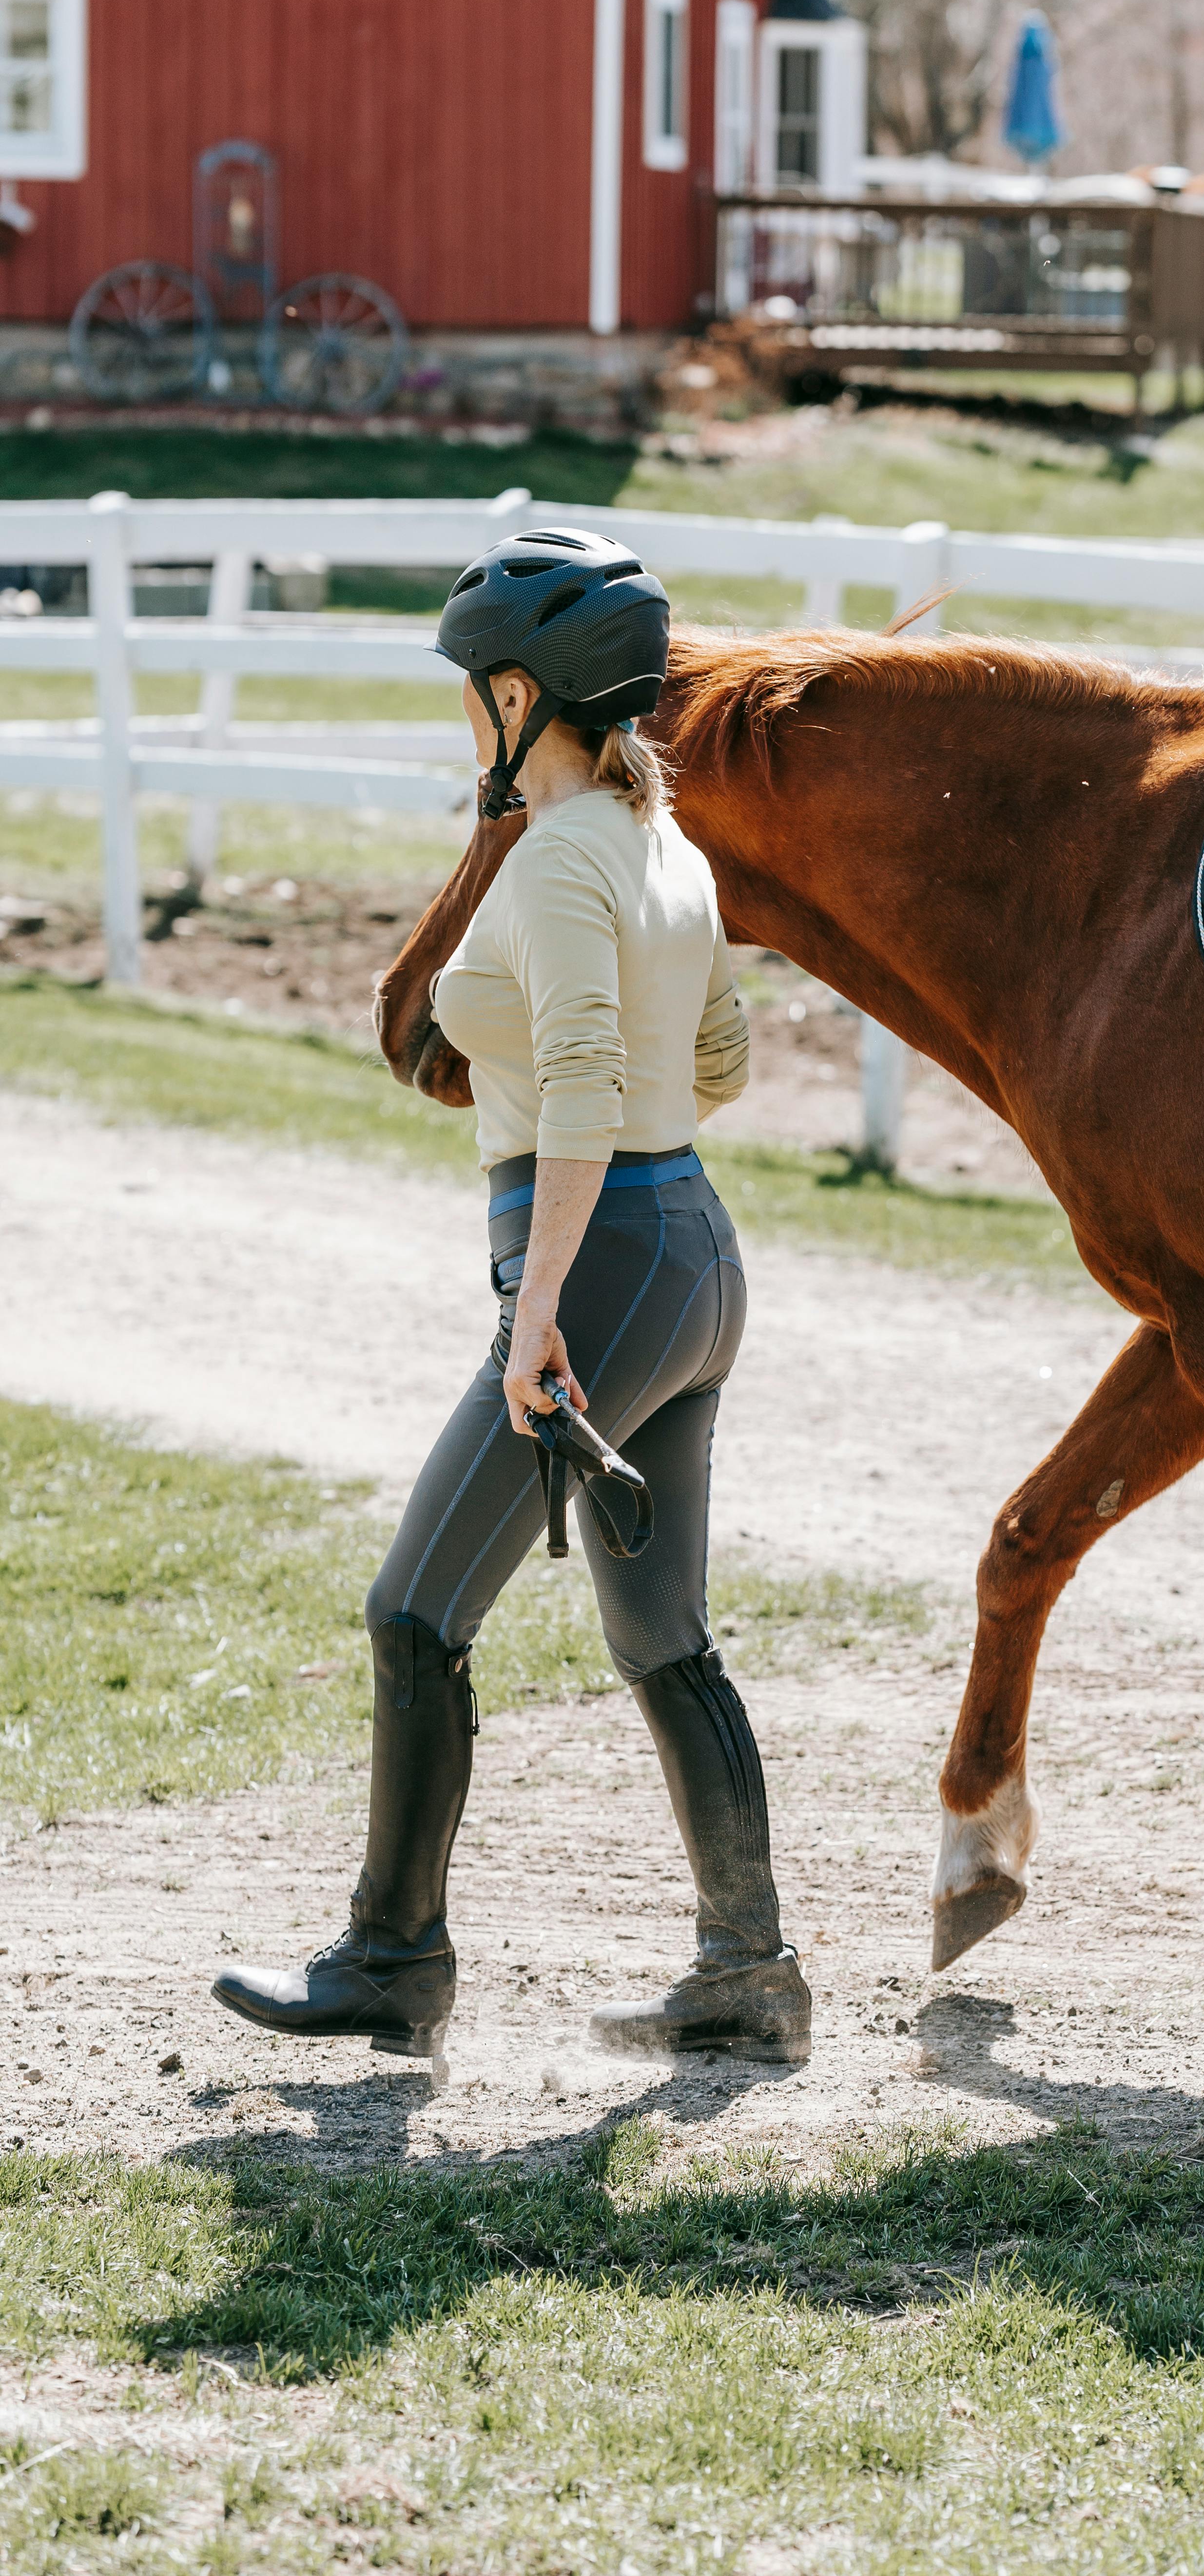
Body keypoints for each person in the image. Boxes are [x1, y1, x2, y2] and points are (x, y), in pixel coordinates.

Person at [212, 527, 811, 2067]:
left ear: (524, 696)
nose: (461, 714)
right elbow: (721, 1058)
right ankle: (750, 1973)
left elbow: (592, 1090)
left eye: (472, 689)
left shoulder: (557, 861)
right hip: (690, 1254)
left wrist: (539, 1308)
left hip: (604, 1261)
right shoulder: (664, 844)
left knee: (415, 1612)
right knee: (661, 1637)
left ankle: (394, 1958)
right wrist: (645, 1192)